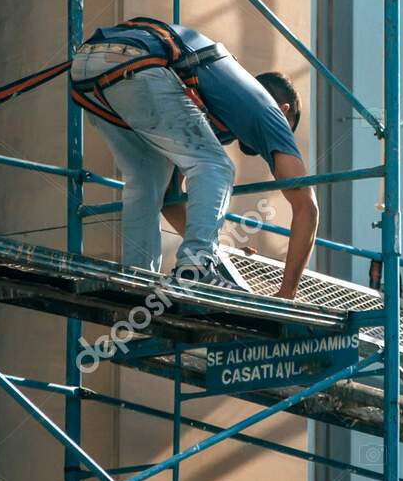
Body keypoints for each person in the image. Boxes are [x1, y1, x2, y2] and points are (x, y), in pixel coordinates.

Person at [70, 17, 318, 298]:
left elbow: (170, 200)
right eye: (289, 126)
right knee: (217, 166)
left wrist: (220, 251)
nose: (284, 136)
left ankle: (137, 277)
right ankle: (197, 268)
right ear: (283, 110)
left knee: (147, 182)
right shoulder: (267, 108)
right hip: (137, 61)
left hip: (88, 71)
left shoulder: (216, 104)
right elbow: (307, 208)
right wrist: (286, 293)